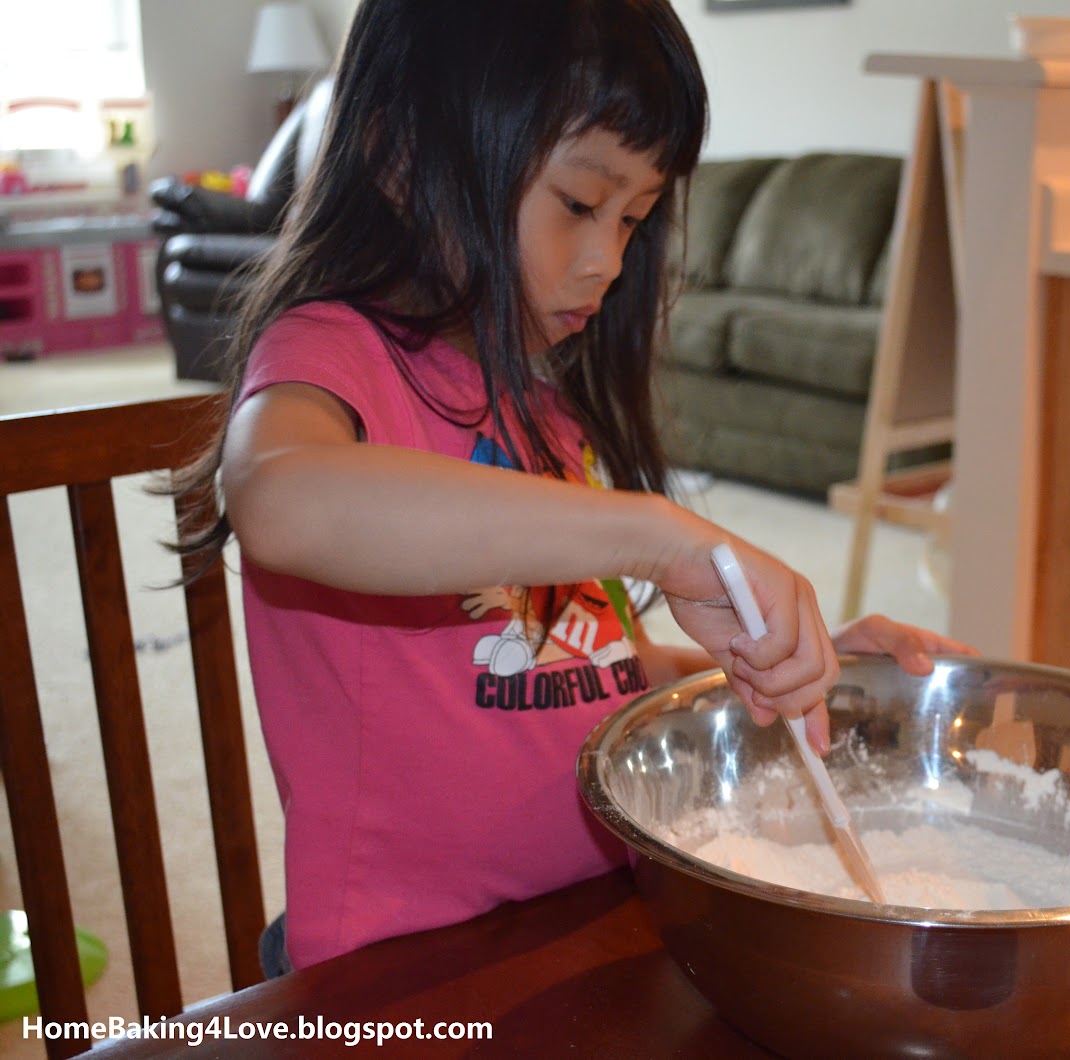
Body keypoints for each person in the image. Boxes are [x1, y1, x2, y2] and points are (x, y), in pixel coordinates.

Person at [170, 0, 970, 974]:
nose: (608, 261)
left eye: (634, 219)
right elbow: (282, 500)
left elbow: (588, 676)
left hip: (590, 927)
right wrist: (650, 534)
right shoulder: (331, 360)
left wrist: (788, 667)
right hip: (407, 973)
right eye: (581, 204)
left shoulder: (545, 414)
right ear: (399, 152)